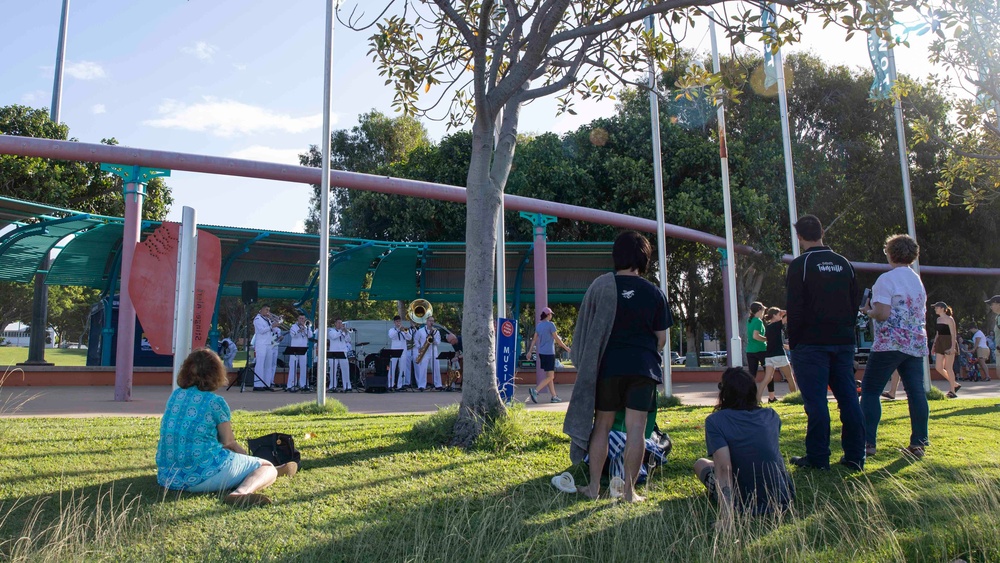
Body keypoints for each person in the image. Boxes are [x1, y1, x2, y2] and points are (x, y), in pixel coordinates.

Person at [566, 231, 672, 502]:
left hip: (608, 367)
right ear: (644, 259)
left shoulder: (601, 286)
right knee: (636, 429)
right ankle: (629, 492)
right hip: (643, 369)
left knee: (602, 425)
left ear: (617, 256)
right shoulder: (654, 293)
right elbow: (661, 339)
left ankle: (593, 488)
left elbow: (585, 330)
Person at [156, 348, 297, 506]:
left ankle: (267, 470)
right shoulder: (215, 402)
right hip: (200, 475)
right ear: (217, 373)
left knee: (244, 462)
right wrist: (248, 458)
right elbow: (229, 443)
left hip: (168, 476)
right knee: (266, 466)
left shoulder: (176, 395)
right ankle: (243, 491)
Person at [785, 215, 865, 471]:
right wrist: (847, 331)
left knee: (816, 402)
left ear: (799, 237)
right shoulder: (844, 264)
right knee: (849, 399)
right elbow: (855, 304)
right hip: (842, 341)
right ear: (822, 233)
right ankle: (855, 456)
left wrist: (794, 341)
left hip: (810, 343)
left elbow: (794, 307)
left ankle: (818, 457)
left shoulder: (801, 265)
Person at [859, 234, 930, 459]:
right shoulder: (916, 280)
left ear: (890, 253)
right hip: (915, 341)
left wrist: (867, 311)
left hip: (890, 342)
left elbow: (882, 313)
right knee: (916, 392)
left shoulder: (885, 279)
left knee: (870, 391)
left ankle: (867, 442)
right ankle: (918, 443)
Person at [693, 367, 793, 526]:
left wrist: (727, 517)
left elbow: (723, 468)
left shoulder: (715, 421)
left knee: (701, 464)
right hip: (781, 498)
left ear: (724, 393)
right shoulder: (771, 416)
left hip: (743, 502)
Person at [526, 307, 572, 404]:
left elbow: (534, 340)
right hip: (549, 353)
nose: (551, 316)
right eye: (551, 314)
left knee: (549, 376)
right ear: (548, 315)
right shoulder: (551, 325)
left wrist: (529, 351)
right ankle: (536, 391)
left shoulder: (539, 326)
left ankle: (554, 396)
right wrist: (566, 347)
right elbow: (557, 339)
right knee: (551, 377)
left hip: (542, 353)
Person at [759, 308, 797, 402]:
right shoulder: (777, 324)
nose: (780, 316)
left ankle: (758, 398)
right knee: (790, 377)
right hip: (779, 354)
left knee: (767, 379)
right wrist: (786, 312)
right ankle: (795, 397)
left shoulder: (768, 326)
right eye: (779, 315)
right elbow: (787, 318)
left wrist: (780, 312)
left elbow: (773, 341)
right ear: (774, 315)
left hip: (769, 356)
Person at [930, 302, 960, 398]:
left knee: (948, 367)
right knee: (938, 367)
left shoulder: (949, 319)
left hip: (948, 342)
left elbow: (953, 334)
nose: (935, 309)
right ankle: (954, 383)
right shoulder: (938, 319)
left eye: (937, 307)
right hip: (940, 342)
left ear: (942, 308)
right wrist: (934, 346)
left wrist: (952, 347)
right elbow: (937, 334)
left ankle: (952, 391)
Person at [252, 305, 278, 391]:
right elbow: (261, 330)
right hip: (261, 344)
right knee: (260, 364)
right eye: (266, 310)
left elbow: (273, 330)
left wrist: (276, 323)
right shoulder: (257, 319)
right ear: (261, 310)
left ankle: (266, 383)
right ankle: (257, 384)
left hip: (269, 343)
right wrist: (271, 326)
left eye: (269, 310)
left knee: (268, 365)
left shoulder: (267, 320)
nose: (268, 312)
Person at [414, 316, 442, 391]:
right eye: (430, 321)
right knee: (423, 368)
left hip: (433, 351)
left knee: (436, 367)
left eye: (432, 321)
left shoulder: (436, 331)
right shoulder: (421, 331)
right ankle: (422, 385)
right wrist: (419, 347)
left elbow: (438, 342)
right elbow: (416, 340)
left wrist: (434, 340)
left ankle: (438, 384)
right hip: (424, 351)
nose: (431, 322)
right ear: (426, 322)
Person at [286, 314, 313, 392]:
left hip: (303, 349)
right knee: (293, 366)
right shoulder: (293, 327)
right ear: (298, 319)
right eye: (300, 318)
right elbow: (292, 335)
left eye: (303, 319)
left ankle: (303, 384)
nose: (302, 320)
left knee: (303, 367)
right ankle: (291, 385)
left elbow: (310, 336)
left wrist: (305, 329)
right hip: (294, 349)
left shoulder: (307, 327)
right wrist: (299, 331)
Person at [745, 302, 768, 387]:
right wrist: (767, 339)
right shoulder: (758, 321)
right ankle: (771, 396)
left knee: (752, 375)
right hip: (761, 349)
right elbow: (756, 336)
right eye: (763, 310)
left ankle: (751, 395)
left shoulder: (749, 321)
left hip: (750, 350)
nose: (764, 313)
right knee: (768, 373)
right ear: (759, 310)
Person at [388, 315, 414, 390]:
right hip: (394, 351)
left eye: (399, 321)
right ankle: (390, 384)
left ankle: (401, 384)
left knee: (402, 368)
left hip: (403, 351)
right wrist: (398, 330)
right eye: (396, 321)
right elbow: (392, 336)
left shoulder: (404, 329)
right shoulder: (392, 330)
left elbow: (410, 337)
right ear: (394, 322)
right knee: (392, 368)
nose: (398, 323)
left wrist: (405, 332)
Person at [327, 319, 352, 392]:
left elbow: (348, 340)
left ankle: (347, 386)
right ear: (335, 324)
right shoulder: (331, 331)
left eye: (341, 323)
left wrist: (346, 333)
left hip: (343, 351)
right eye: (338, 323)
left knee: (345, 369)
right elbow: (334, 337)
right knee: (333, 370)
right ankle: (333, 386)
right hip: (334, 352)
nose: (340, 324)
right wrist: (341, 331)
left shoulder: (343, 332)